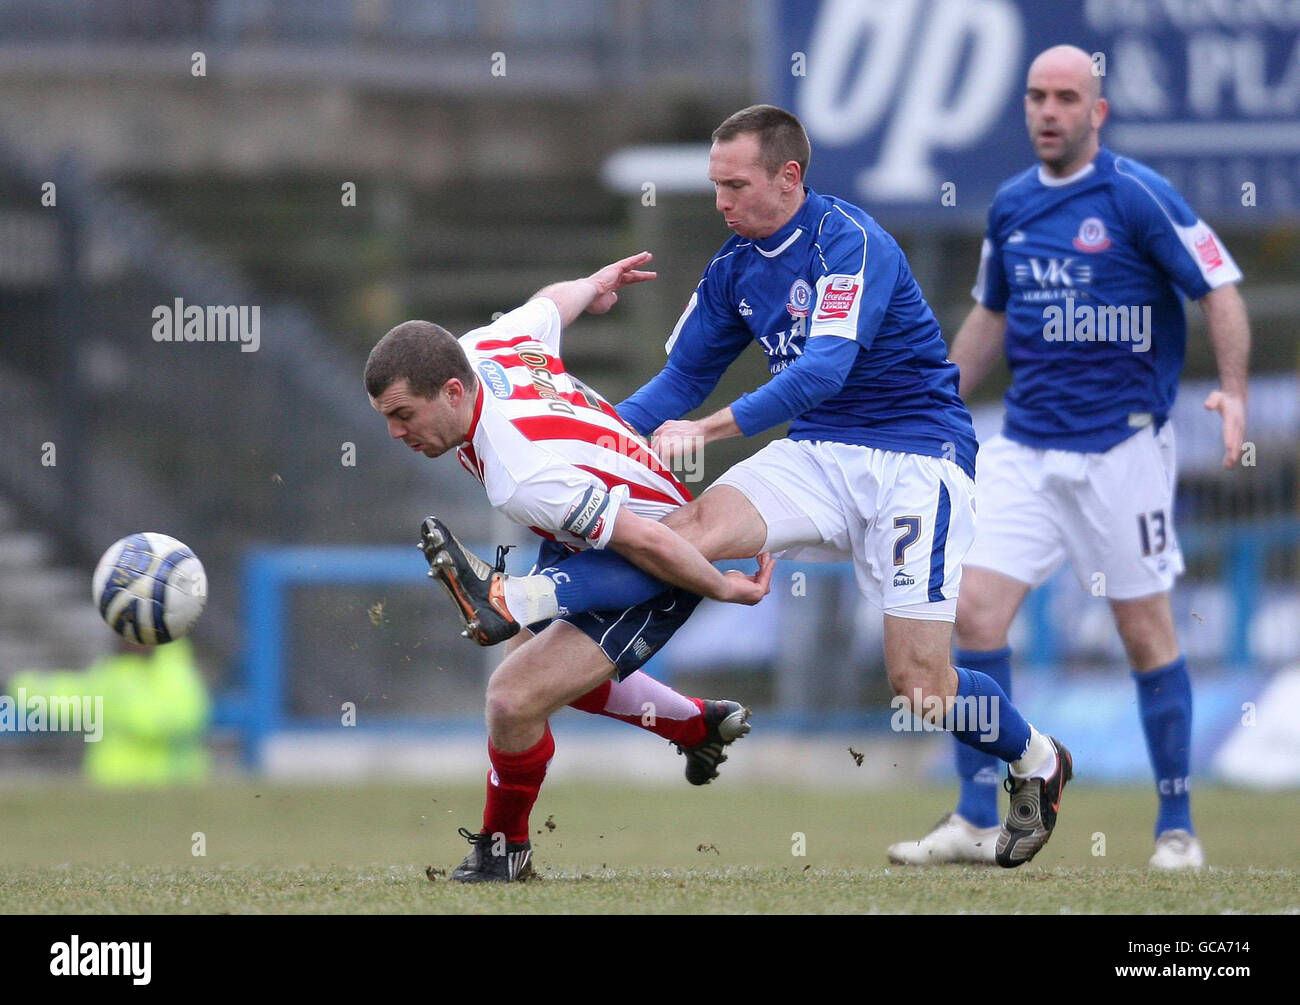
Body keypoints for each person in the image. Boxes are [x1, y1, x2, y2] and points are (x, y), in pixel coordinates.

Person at [436, 105, 1073, 869]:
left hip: (916, 458)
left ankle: (1036, 757)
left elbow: (823, 370)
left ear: (789, 177)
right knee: (683, 529)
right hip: (816, 455)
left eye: (735, 184)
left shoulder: (850, 241)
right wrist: (597, 443)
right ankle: (522, 600)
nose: (721, 201)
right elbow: (680, 378)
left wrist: (708, 431)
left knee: (920, 685)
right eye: (714, 185)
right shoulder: (734, 268)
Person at [885, 45, 1250, 870]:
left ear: (1097, 111)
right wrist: (931, 402)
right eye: (1036, 97)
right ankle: (982, 814)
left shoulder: (1137, 196)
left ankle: (1176, 828)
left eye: (1065, 97)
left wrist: (1232, 390)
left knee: (1145, 631)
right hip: (1027, 445)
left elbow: (1219, 287)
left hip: (1124, 447)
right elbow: (990, 318)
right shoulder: (1012, 205)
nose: (1048, 111)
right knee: (970, 614)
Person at [365, 253, 775, 882]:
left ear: (451, 391)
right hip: (591, 521)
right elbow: (549, 305)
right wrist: (593, 285)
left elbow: (651, 544)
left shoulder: (519, 476)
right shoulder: (483, 346)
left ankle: (504, 853)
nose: (395, 433)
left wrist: (723, 585)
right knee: (534, 677)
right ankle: (697, 725)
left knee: (513, 697)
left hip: (657, 551)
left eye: (402, 415)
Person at [10, 635, 211, 786]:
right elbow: (72, 697)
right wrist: (21, 686)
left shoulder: (176, 670)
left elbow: (174, 720)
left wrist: (119, 703)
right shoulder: (113, 671)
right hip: (108, 793)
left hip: (169, 789)